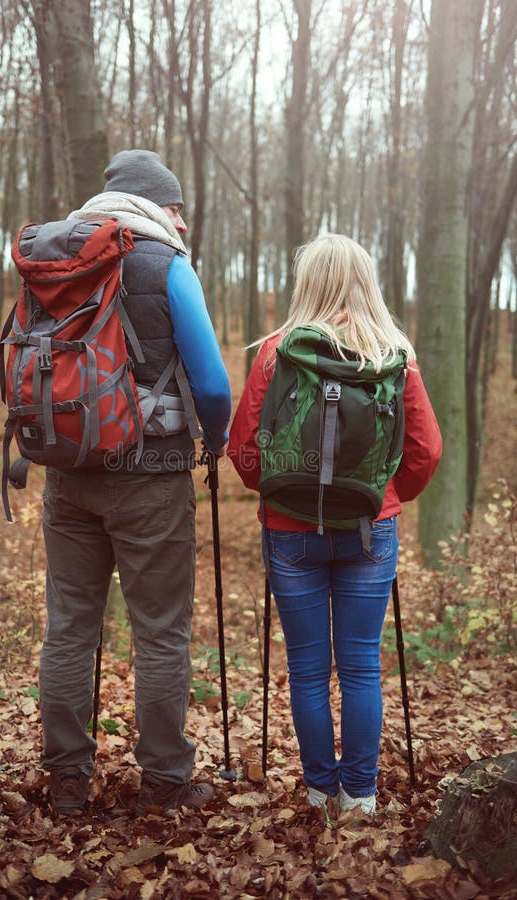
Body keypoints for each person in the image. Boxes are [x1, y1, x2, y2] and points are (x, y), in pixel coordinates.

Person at [40, 149, 231, 815]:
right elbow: (209, 379)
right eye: (178, 211)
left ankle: (66, 778)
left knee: (69, 626)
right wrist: (219, 437)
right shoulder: (166, 264)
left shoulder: (58, 255)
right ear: (166, 208)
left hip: (67, 471)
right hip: (151, 478)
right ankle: (166, 780)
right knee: (158, 630)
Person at [227, 234, 441, 814]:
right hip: (371, 533)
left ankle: (320, 788)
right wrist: (386, 497)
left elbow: (245, 448)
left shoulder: (276, 351)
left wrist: (275, 490)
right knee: (361, 666)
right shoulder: (395, 353)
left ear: (309, 283)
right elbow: (426, 451)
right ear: (366, 282)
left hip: (290, 533)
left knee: (308, 669)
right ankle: (361, 795)